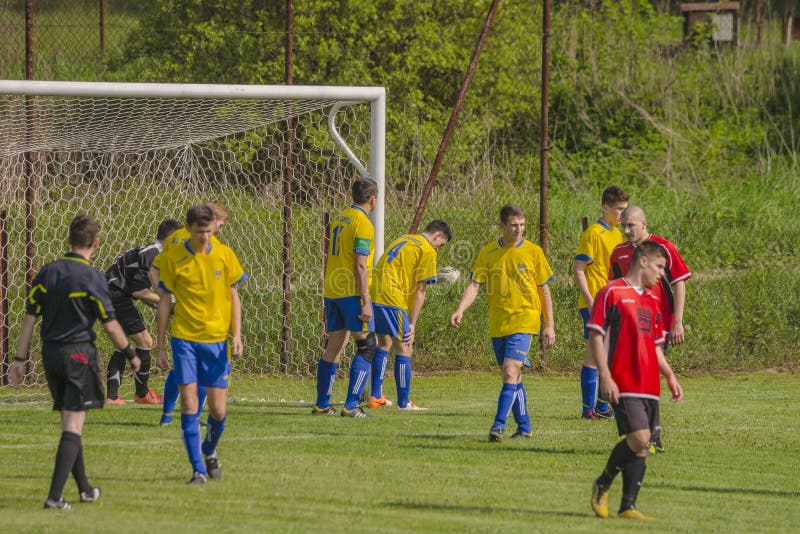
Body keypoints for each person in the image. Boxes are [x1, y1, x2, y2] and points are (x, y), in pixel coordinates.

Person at [8, 215, 141, 509]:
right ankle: (54, 497)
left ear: (69, 239)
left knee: (72, 420)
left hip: (50, 355)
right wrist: (131, 354)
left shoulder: (46, 273)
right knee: (73, 424)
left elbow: (30, 319)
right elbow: (110, 325)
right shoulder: (92, 277)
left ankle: (85, 490)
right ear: (96, 242)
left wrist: (18, 360)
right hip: (78, 354)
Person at [588, 240, 683, 520]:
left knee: (644, 445)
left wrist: (669, 375)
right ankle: (603, 482)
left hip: (649, 384)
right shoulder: (611, 293)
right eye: (659, 267)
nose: (662, 274)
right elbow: (596, 336)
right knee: (639, 437)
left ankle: (628, 507)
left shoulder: (652, 300)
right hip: (622, 379)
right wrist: (604, 375)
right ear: (642, 261)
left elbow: (655, 346)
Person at [155, 204, 246, 484]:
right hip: (184, 339)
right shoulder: (174, 257)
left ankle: (208, 450)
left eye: (208, 231)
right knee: (190, 404)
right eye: (199, 232)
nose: (205, 236)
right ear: (189, 229)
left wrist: (237, 335)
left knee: (218, 411)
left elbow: (234, 297)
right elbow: (163, 302)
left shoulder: (224, 255)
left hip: (217, 342)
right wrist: (160, 344)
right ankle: (197, 469)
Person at [450, 204, 555, 442]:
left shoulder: (533, 251)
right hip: (498, 323)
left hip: (525, 319)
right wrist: (460, 309)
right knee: (513, 376)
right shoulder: (488, 253)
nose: (519, 230)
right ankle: (524, 427)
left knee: (510, 371)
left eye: (522, 225)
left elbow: (544, 289)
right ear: (502, 226)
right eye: (514, 225)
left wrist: (549, 324)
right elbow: (475, 285)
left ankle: (498, 426)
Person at [609, 205, 692, 453]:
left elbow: (679, 284)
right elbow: (614, 288)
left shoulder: (663, 248)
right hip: (628, 328)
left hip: (659, 326)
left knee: (646, 375)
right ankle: (641, 433)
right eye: (622, 225)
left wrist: (677, 321)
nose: (625, 230)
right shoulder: (619, 253)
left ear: (643, 223)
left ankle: (651, 437)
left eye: (630, 225)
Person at [155, 201, 228, 426]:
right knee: (204, 369)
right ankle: (193, 417)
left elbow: (155, 268)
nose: (221, 229)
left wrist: (165, 294)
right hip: (202, 315)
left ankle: (167, 416)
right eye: (221, 224)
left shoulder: (176, 236)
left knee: (182, 367)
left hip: (181, 307)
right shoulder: (207, 246)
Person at [311, 178, 379, 418]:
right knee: (368, 345)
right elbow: (360, 264)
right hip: (351, 291)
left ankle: (322, 404)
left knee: (334, 347)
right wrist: (366, 299)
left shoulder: (341, 217)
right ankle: (351, 405)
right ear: (373, 200)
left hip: (332, 289)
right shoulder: (363, 223)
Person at [368, 220, 452, 410]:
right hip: (392, 297)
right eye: (441, 245)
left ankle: (375, 396)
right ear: (438, 236)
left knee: (384, 343)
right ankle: (404, 403)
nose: (439, 249)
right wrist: (412, 324)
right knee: (405, 346)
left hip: (375, 293)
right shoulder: (427, 250)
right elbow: (420, 291)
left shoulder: (405, 239)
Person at [104, 218, 184, 405]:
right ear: (171, 237)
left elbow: (141, 292)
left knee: (121, 344)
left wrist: (164, 307)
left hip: (109, 294)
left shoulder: (151, 252)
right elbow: (139, 291)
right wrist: (170, 303)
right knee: (145, 341)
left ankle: (112, 397)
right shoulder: (153, 253)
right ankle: (142, 394)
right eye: (178, 238)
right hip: (116, 296)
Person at [574, 186, 629, 420]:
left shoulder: (618, 233)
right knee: (594, 355)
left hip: (612, 302)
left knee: (608, 355)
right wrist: (589, 301)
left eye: (625, 209)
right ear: (606, 208)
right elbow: (578, 270)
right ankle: (588, 409)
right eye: (618, 209)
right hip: (594, 303)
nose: (622, 214)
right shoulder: (593, 233)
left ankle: (603, 406)